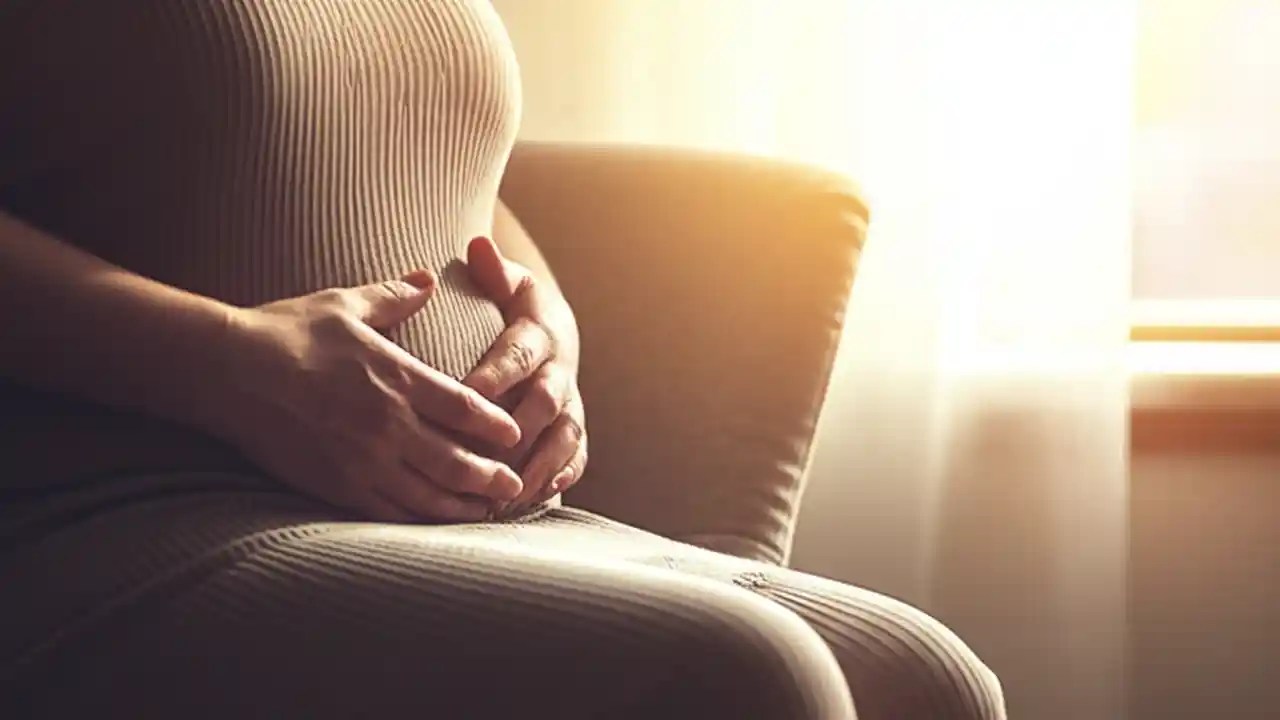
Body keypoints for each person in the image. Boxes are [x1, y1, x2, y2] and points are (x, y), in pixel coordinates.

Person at [0, 2, 1005, 718]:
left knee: (926, 679)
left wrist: (546, 327)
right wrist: (225, 362)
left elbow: (454, 170)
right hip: (119, 516)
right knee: (741, 677)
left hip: (449, 525)